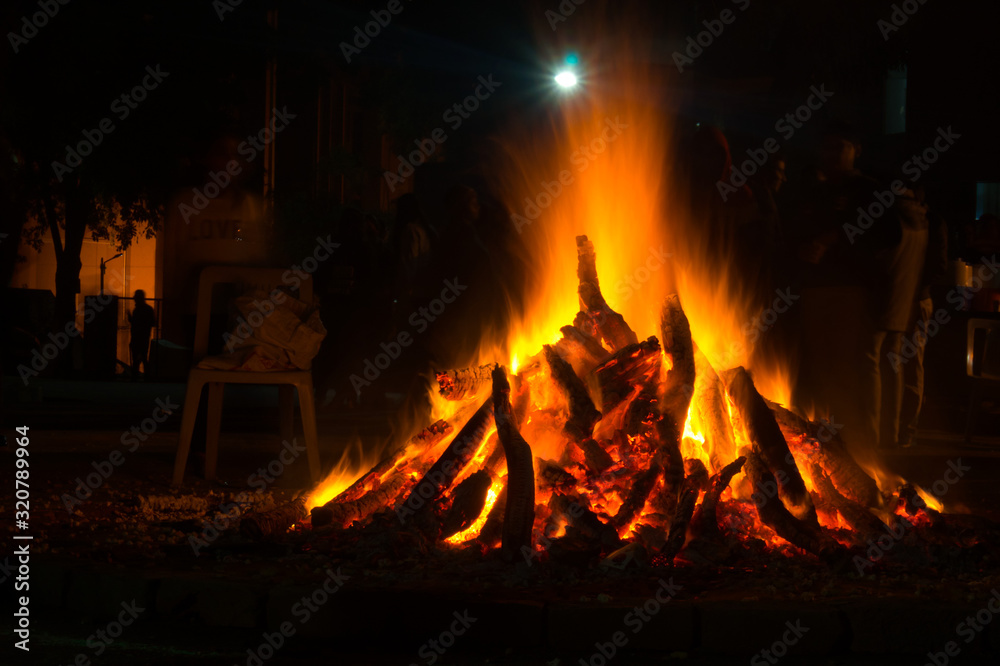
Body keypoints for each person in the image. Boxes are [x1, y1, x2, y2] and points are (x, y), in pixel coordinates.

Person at [128, 289, 156, 380]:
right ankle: (146, 376)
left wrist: (131, 320)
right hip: (144, 337)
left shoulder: (137, 310)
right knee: (143, 357)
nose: (134, 299)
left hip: (138, 337)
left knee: (137, 358)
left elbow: (136, 325)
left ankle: (136, 376)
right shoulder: (148, 309)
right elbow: (152, 323)